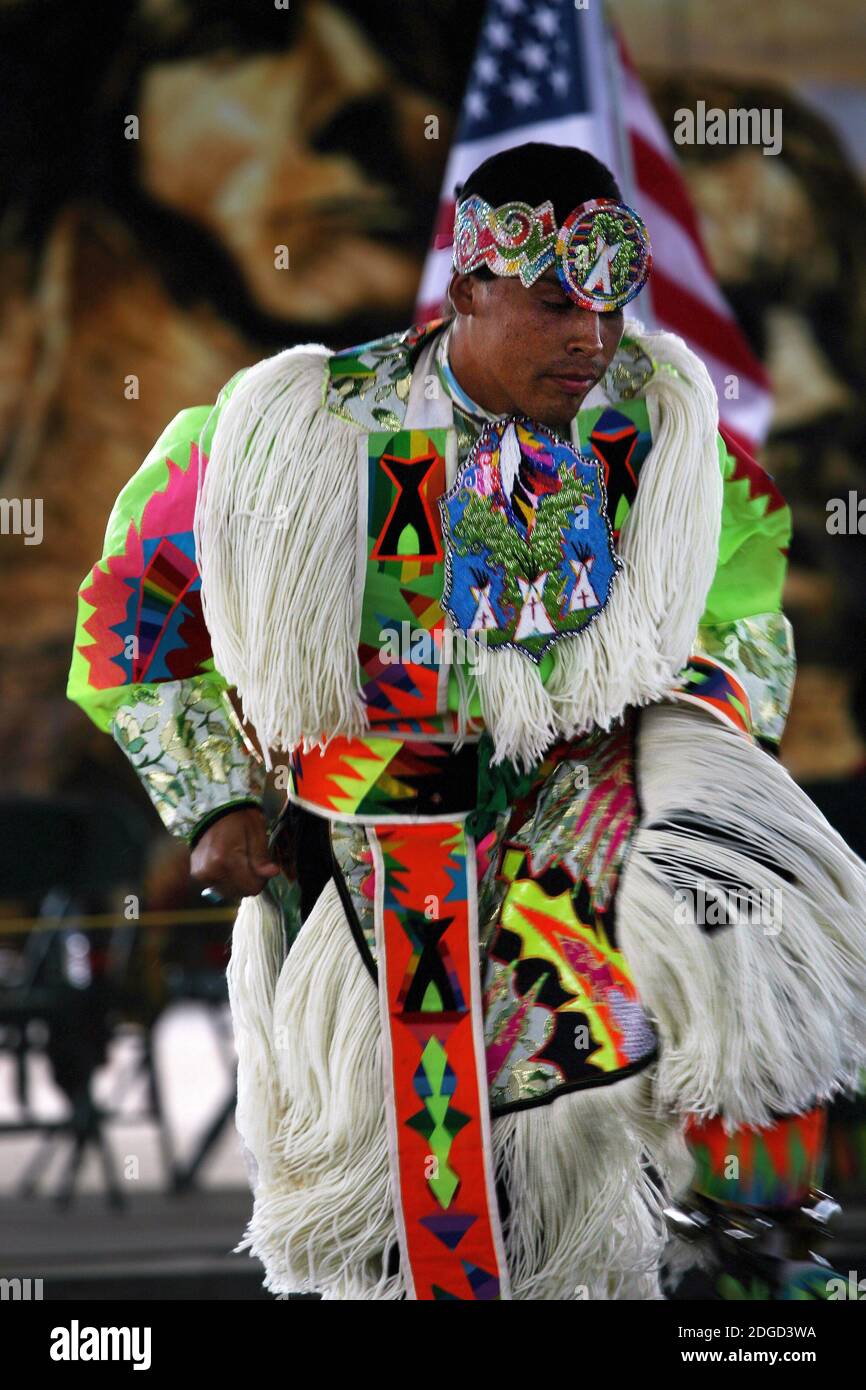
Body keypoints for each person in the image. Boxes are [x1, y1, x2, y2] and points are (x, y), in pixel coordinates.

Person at [67, 142, 866, 1301]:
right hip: (377, 844)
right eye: (553, 305)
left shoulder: (655, 421)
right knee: (422, 1193)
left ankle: (763, 1261)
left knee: (739, 910)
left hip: (577, 803)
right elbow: (130, 605)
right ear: (468, 289)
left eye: (607, 303)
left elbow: (739, 598)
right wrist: (217, 794)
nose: (590, 335)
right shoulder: (294, 425)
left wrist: (694, 739)